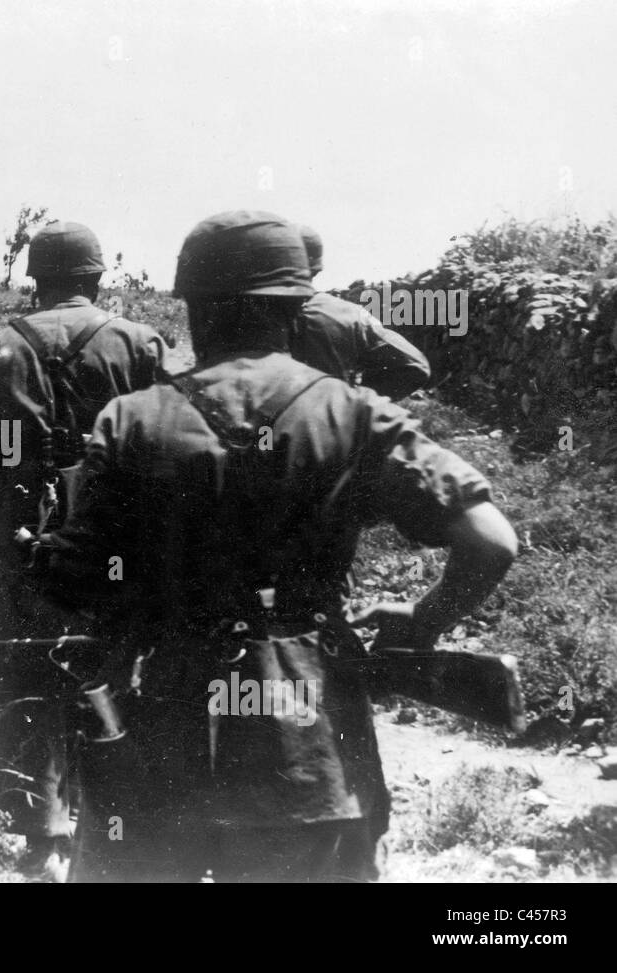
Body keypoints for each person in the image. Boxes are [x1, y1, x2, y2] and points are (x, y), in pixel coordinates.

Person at [41, 210, 517, 882]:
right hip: (311, 753)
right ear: (294, 309)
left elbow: (73, 579)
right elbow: (492, 540)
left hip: (159, 742)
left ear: (196, 309)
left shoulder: (131, 420)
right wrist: (425, 618)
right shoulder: (357, 415)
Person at [0, 220, 169, 880]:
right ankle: (121, 819)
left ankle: (38, 832)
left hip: (23, 517)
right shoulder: (139, 343)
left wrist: (26, 481)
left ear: (36, 278)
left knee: (25, 665)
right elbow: (170, 440)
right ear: (97, 276)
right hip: (117, 519)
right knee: (119, 658)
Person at [290, 226, 431, 399]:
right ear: (317, 268)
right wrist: (356, 403)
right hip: (327, 419)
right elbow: (415, 365)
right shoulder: (351, 316)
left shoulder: (251, 315)